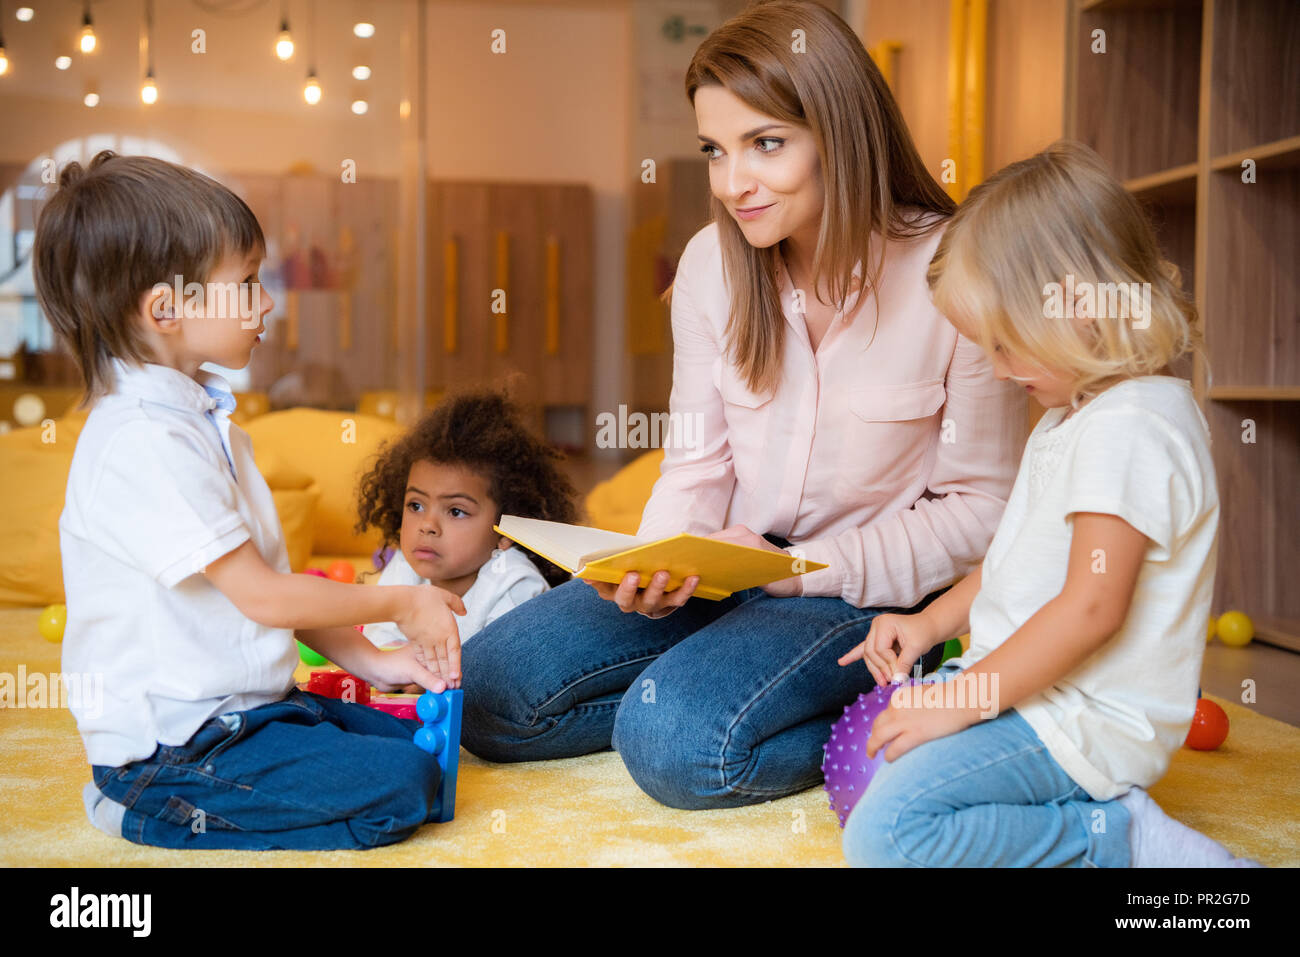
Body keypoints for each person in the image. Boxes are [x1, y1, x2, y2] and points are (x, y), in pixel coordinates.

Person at [460, 0, 1024, 809]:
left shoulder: (952, 269)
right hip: (727, 566)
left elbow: (981, 508)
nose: (732, 185)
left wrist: (807, 574)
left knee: (678, 746)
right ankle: (715, 682)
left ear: (841, 129)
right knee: (488, 688)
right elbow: (696, 461)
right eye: (715, 151)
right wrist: (653, 561)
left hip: (860, 589)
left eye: (766, 145)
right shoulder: (711, 266)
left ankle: (880, 693)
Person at [839, 140, 1261, 867]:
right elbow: (1014, 566)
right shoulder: (1078, 415)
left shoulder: (1132, 428)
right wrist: (931, 622)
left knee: (887, 837)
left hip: (1078, 722)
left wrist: (961, 699)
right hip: (1028, 692)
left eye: (1006, 346)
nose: (999, 372)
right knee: (874, 777)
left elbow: (1091, 607)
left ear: (1079, 307)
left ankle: (1119, 839)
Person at [37, 151, 465, 850]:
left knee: (405, 741)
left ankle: (276, 756)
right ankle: (144, 809)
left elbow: (277, 595)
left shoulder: (202, 421)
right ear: (165, 308)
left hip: (247, 710)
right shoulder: (145, 440)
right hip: (176, 749)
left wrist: (374, 661)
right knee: (401, 783)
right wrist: (401, 602)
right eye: (247, 282)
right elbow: (268, 598)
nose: (267, 301)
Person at [349, 389, 577, 650]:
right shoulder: (405, 566)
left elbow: (502, 671)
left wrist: (418, 665)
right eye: (416, 505)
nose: (427, 526)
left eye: (456, 511)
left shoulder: (515, 584)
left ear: (506, 532)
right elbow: (378, 639)